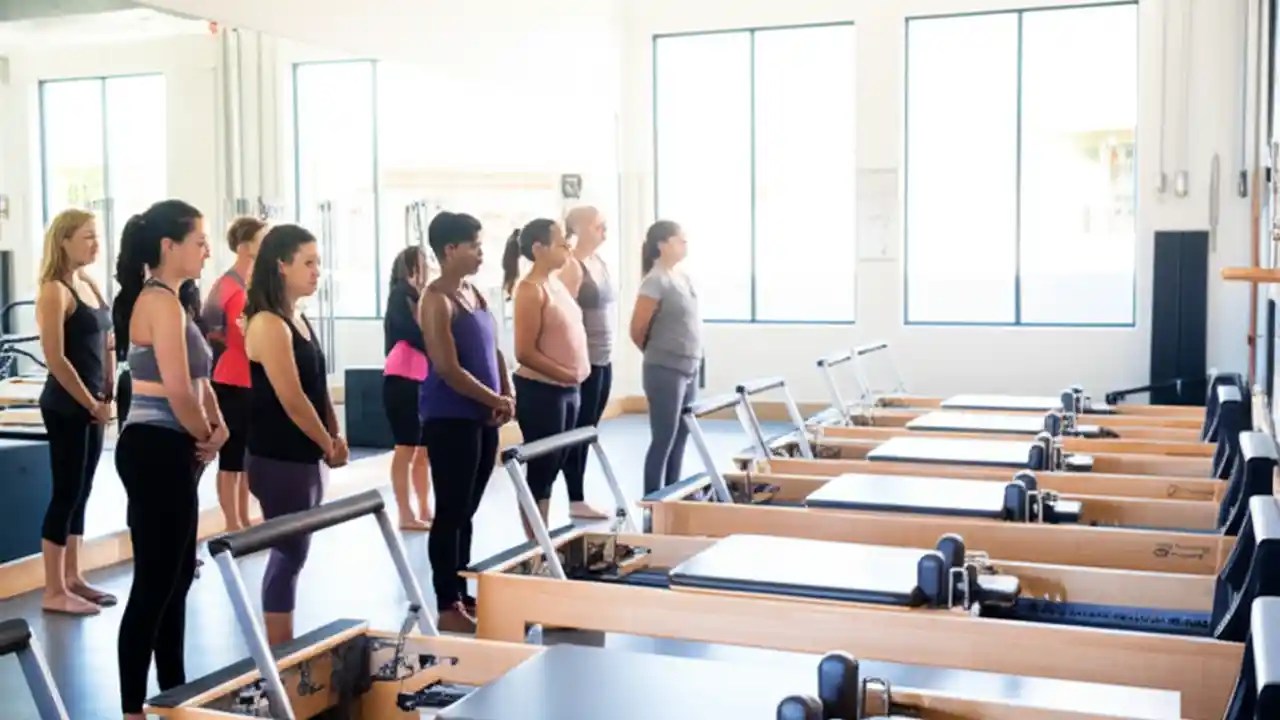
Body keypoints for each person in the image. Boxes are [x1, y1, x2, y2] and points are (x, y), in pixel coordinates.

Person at [113, 199, 226, 720]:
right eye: (199, 240)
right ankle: (133, 707)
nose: (207, 250)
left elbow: (199, 381)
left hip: (175, 447)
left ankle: (174, 691)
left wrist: (216, 426)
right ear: (168, 246)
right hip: (156, 448)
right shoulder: (158, 302)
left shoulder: (178, 303)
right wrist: (206, 434)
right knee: (156, 582)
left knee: (178, 577)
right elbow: (179, 392)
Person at [243, 224, 349, 646]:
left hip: (305, 455)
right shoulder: (268, 324)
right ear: (280, 265)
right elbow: (291, 399)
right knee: (289, 553)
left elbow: (316, 386)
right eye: (308, 262)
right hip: (278, 457)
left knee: (296, 552)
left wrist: (335, 435)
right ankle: (279, 654)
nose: (316, 271)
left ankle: (283, 647)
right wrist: (327, 444)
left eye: (317, 262)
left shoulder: (297, 317)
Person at [418, 211, 513, 633]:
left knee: (468, 509)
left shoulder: (475, 292)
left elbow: (493, 350)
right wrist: (493, 397)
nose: (480, 253)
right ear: (449, 250)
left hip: (482, 416)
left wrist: (506, 393)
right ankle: (446, 601)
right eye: (473, 245)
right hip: (451, 419)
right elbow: (447, 366)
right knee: (451, 510)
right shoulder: (435, 299)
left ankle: (461, 586)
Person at [34, 208, 115, 616]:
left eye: (96, 235)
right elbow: (56, 359)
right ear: (63, 240)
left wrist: (110, 393)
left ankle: (73, 576)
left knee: (82, 492)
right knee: (65, 492)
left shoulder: (88, 283)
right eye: (86, 236)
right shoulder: (55, 290)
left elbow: (107, 342)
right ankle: (52, 589)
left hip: (95, 403)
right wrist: (90, 403)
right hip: (67, 405)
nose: (95, 243)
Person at [501, 218, 590, 534]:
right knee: (542, 467)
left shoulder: (557, 283)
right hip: (542, 392)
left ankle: (544, 536)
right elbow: (524, 352)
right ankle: (536, 542)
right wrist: (565, 372)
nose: (567, 247)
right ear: (538, 248)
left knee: (556, 463)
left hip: (568, 390)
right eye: (561, 242)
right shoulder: (529, 290)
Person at [629, 220, 703, 496]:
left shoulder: (681, 277)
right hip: (665, 369)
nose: (685, 244)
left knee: (682, 435)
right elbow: (637, 330)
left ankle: (674, 494)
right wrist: (660, 354)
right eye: (679, 239)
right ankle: (653, 499)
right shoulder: (655, 280)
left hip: (688, 367)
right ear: (662, 244)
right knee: (664, 438)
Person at [202, 217, 265, 531]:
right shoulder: (226, 285)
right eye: (261, 239)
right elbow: (210, 331)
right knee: (231, 456)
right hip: (229, 377)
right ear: (244, 246)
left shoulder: (252, 283)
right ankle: (231, 522)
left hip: (250, 376)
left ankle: (243, 517)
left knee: (243, 456)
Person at [556, 206, 613, 520]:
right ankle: (575, 497)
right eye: (598, 226)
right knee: (578, 431)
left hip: (604, 358)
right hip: (584, 362)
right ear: (580, 229)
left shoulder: (600, 263)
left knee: (590, 429)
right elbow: (564, 315)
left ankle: (578, 495)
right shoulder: (571, 266)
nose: (604, 231)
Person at [383, 245, 432, 530]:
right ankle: (405, 512)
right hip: (403, 378)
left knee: (423, 449)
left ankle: (424, 508)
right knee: (406, 447)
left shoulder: (421, 296)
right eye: (424, 262)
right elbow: (409, 332)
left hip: (422, 377)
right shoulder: (402, 293)